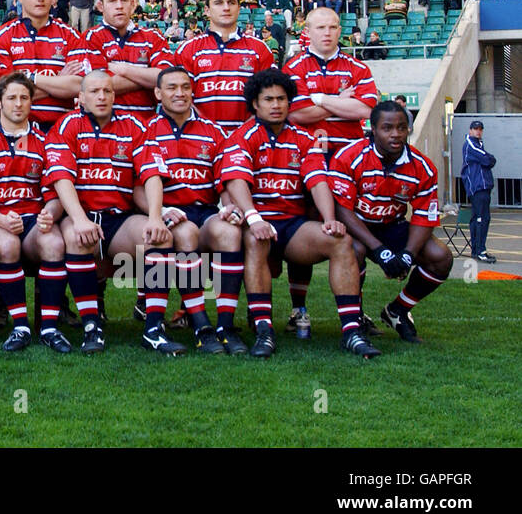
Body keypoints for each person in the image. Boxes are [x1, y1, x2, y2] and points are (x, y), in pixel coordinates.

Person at [218, 69, 379, 359]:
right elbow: (236, 181)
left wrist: (329, 219)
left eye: (282, 98)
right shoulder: (241, 136)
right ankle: (264, 330)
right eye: (268, 99)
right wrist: (254, 218)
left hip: (293, 225)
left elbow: (317, 180)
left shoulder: (304, 138)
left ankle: (351, 331)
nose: (276, 104)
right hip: (258, 221)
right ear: (255, 103)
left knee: (340, 241)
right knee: (255, 241)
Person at [280, 7, 379, 337]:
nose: (327, 32)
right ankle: (299, 309)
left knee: (354, 240)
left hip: (349, 165)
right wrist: (339, 100)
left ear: (341, 30)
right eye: (320, 27)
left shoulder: (357, 67)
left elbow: (365, 109)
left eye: (333, 26)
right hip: (305, 163)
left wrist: (320, 98)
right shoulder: (294, 66)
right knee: (303, 231)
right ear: (307, 30)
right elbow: (296, 114)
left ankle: (356, 312)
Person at [137, 66, 248, 354]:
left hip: (206, 210)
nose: (180, 93)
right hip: (170, 211)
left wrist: (228, 206)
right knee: (185, 235)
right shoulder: (144, 129)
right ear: (158, 93)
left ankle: (225, 325)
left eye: (185, 87)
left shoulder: (214, 130)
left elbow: (223, 179)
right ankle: (201, 324)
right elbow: (136, 186)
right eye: (172, 87)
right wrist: (160, 211)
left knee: (230, 233)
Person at [43, 71, 150, 354]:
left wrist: (158, 213)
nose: (101, 97)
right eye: (94, 91)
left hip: (120, 218)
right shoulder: (65, 125)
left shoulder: (134, 125)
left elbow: (148, 175)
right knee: (79, 239)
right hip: (82, 213)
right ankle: (92, 325)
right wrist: (79, 219)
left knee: (156, 237)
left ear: (115, 95)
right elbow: (61, 178)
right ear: (80, 98)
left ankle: (154, 326)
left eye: (107, 91)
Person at [0, 72, 72, 353]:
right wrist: (1, 219)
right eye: (11, 98)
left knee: (54, 242)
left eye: (24, 97)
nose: (18, 104)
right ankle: (21, 326)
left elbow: (56, 194)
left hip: (34, 218)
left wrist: (49, 214)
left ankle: (48, 328)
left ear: (32, 101)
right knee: (7, 245)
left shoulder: (48, 140)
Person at [329, 101, 450, 344]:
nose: (395, 134)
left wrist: (407, 254)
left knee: (441, 256)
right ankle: (356, 317)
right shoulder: (349, 156)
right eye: (387, 128)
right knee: (353, 250)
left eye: (401, 128)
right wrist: (380, 251)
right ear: (373, 129)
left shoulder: (422, 167)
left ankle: (397, 310)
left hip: (391, 225)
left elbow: (424, 215)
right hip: (357, 226)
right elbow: (342, 210)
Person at [0, 0, 88, 130]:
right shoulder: (1, 36)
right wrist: (58, 81)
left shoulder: (71, 35)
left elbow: (79, 87)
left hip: (61, 129)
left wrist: (31, 79)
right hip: (15, 130)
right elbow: (2, 95)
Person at [175, 0, 274, 135]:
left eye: (231, 3)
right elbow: (182, 100)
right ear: (207, 10)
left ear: (239, 9)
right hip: (200, 139)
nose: (226, 8)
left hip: (248, 139)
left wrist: (241, 135)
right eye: (219, 3)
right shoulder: (188, 50)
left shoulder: (259, 49)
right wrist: (211, 132)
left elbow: (269, 98)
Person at [83, 0, 174, 124]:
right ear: (101, 6)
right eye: (112, 1)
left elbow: (166, 78)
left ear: (132, 4)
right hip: (105, 130)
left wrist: (124, 70)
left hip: (146, 130)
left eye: (124, 0)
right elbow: (99, 86)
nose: (119, 6)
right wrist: (147, 76)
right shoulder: (90, 37)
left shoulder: (153, 36)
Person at [461, 120, 497, 263]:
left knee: (480, 218)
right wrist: (489, 158)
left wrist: (489, 158)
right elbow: (488, 160)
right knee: (481, 219)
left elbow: (487, 159)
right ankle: (480, 250)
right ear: (470, 130)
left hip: (483, 186)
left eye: (480, 129)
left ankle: (477, 250)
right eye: (475, 129)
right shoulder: (470, 144)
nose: (478, 131)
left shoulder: (479, 144)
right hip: (477, 186)